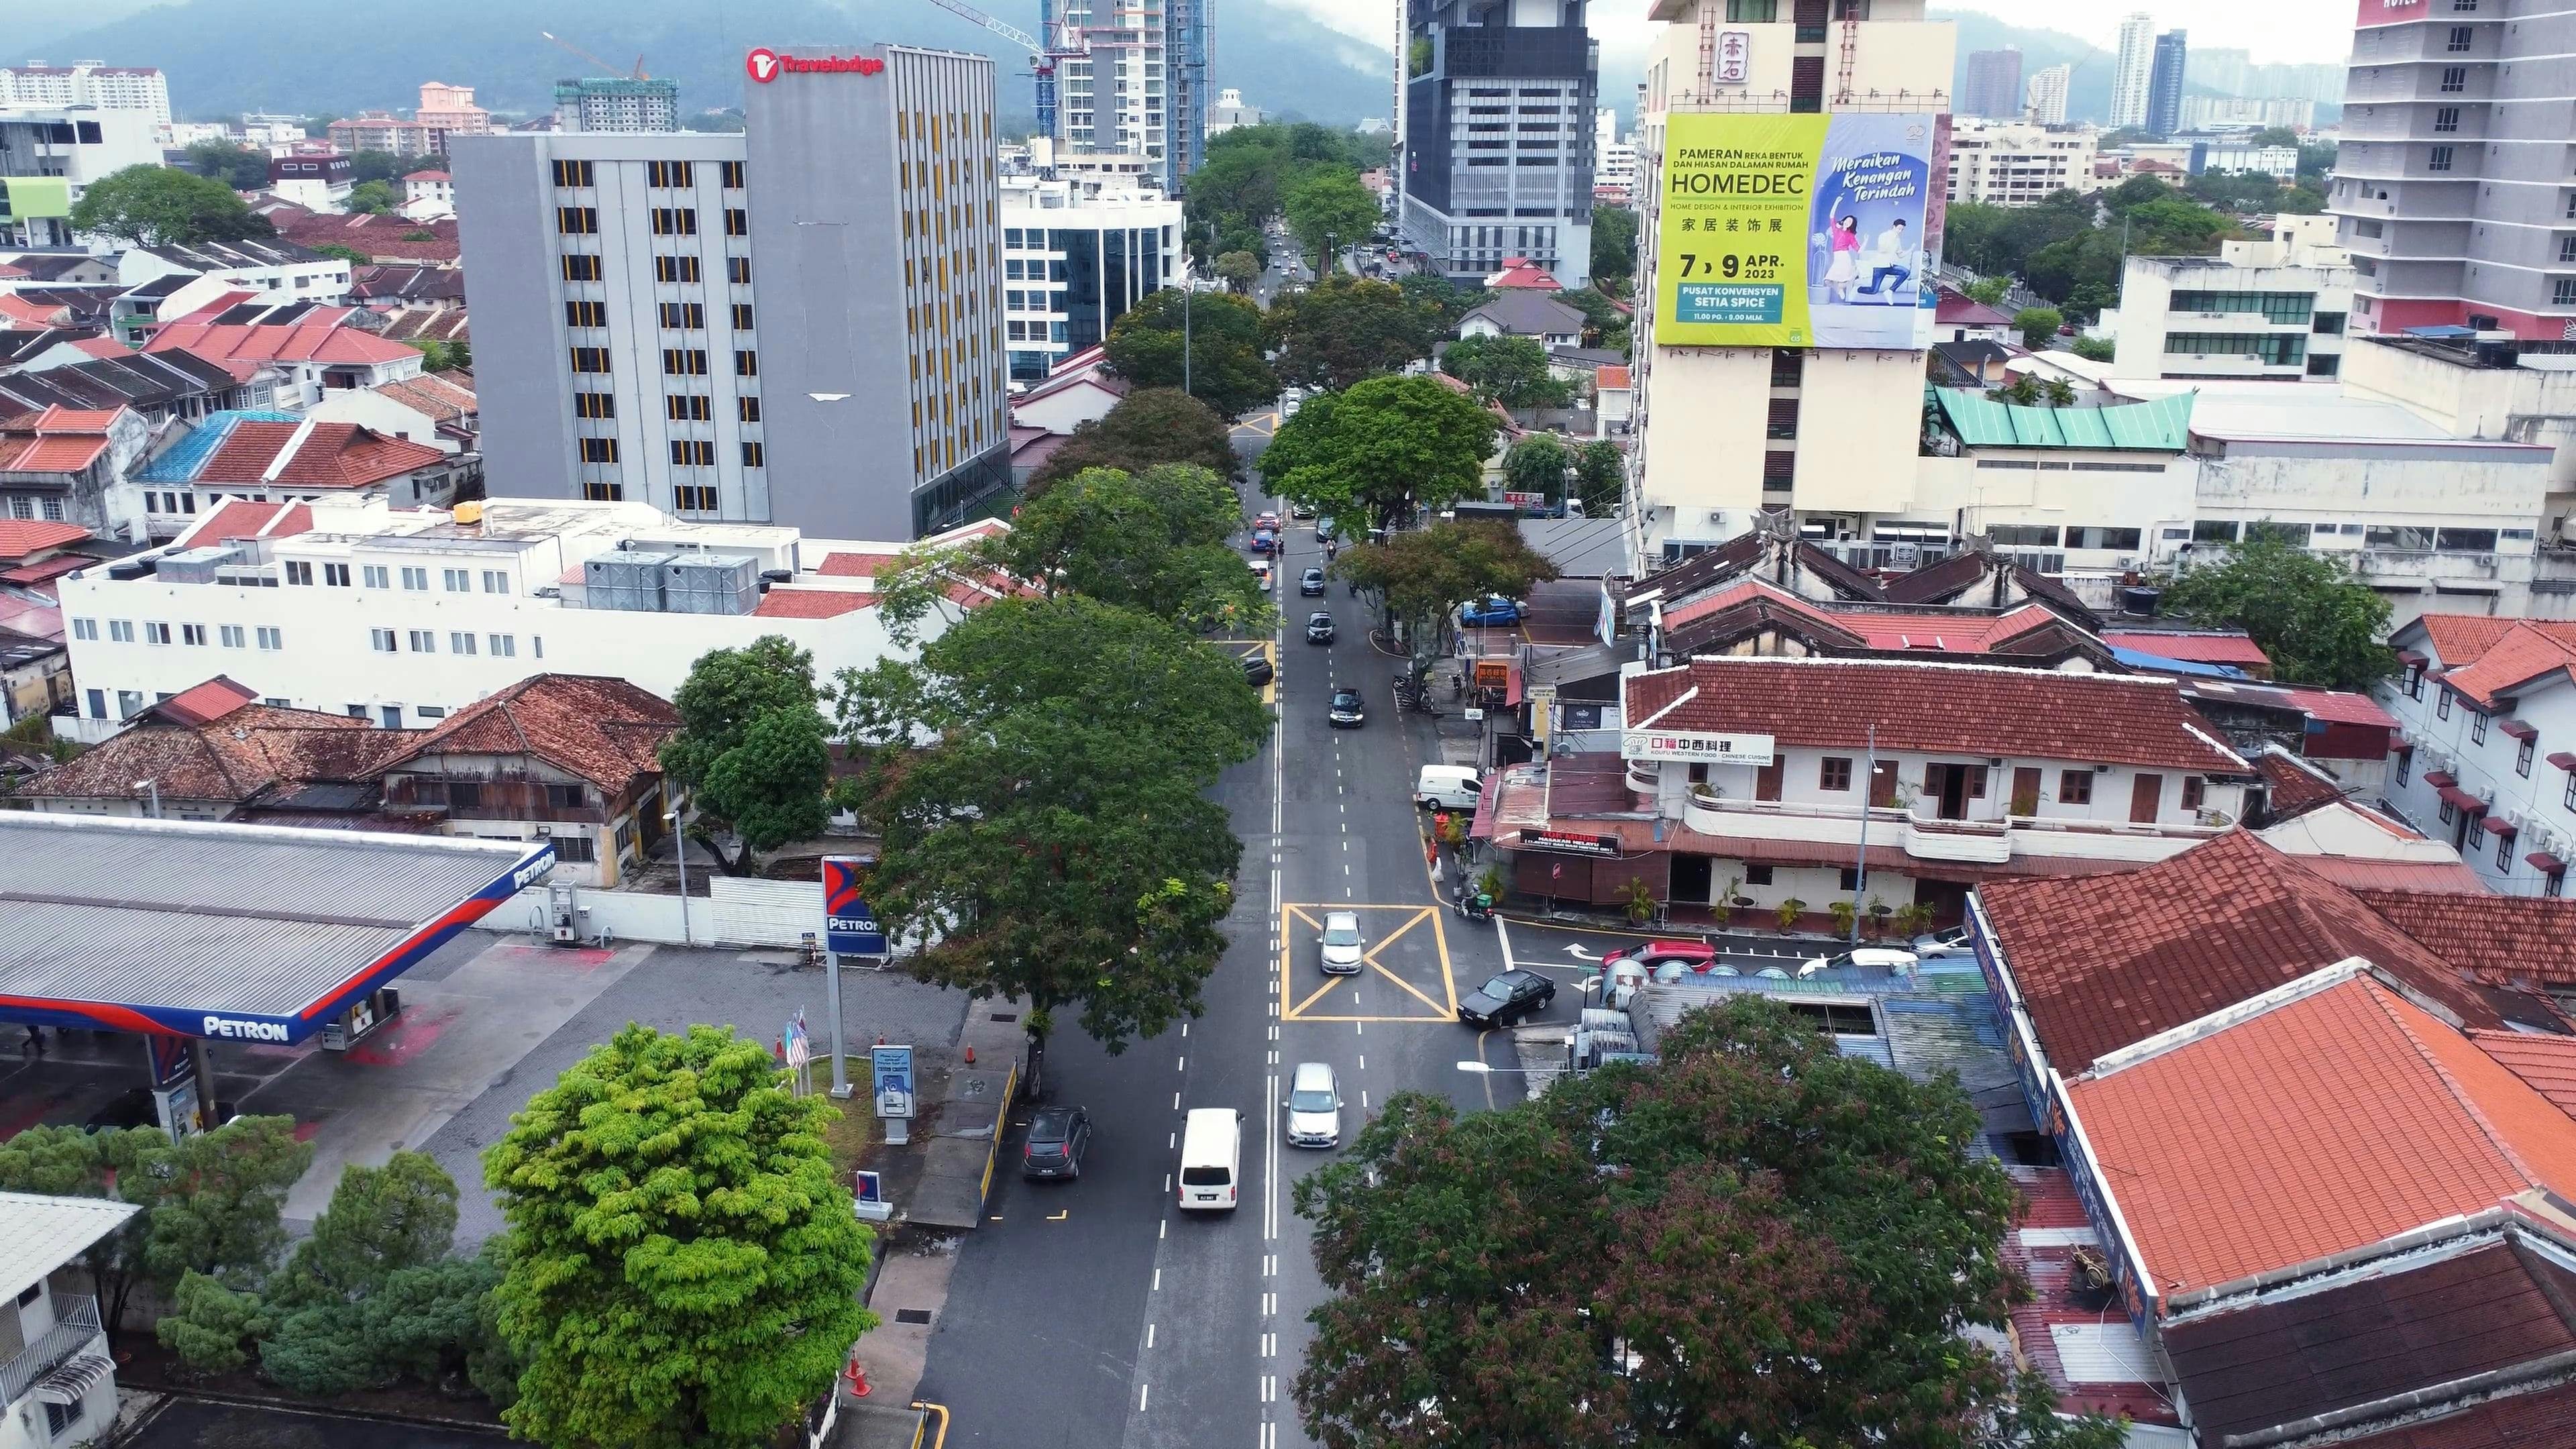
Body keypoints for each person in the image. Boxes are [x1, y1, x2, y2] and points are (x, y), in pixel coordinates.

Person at [1857, 217, 1916, 303]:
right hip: (1880, 266)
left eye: (1902, 230)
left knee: (1906, 272)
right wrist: (1892, 240)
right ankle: (1858, 289)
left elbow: (1900, 255)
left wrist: (1911, 249)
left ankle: (1890, 291)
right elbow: (1881, 250)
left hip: (1890, 266)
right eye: (1899, 229)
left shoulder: (1897, 240)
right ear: (1894, 227)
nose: (1900, 231)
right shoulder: (1884, 236)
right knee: (1874, 291)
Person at [1823, 215, 1860, 303]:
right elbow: (1831, 216)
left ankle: (1853, 277)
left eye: (1850, 222)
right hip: (1837, 259)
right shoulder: (1836, 230)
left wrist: (1865, 242)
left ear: (1851, 225)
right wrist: (1837, 202)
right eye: (1847, 220)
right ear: (1844, 220)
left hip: (1845, 258)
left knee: (1841, 283)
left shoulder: (1850, 236)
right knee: (1827, 281)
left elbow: (1858, 249)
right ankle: (1840, 290)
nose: (1848, 222)